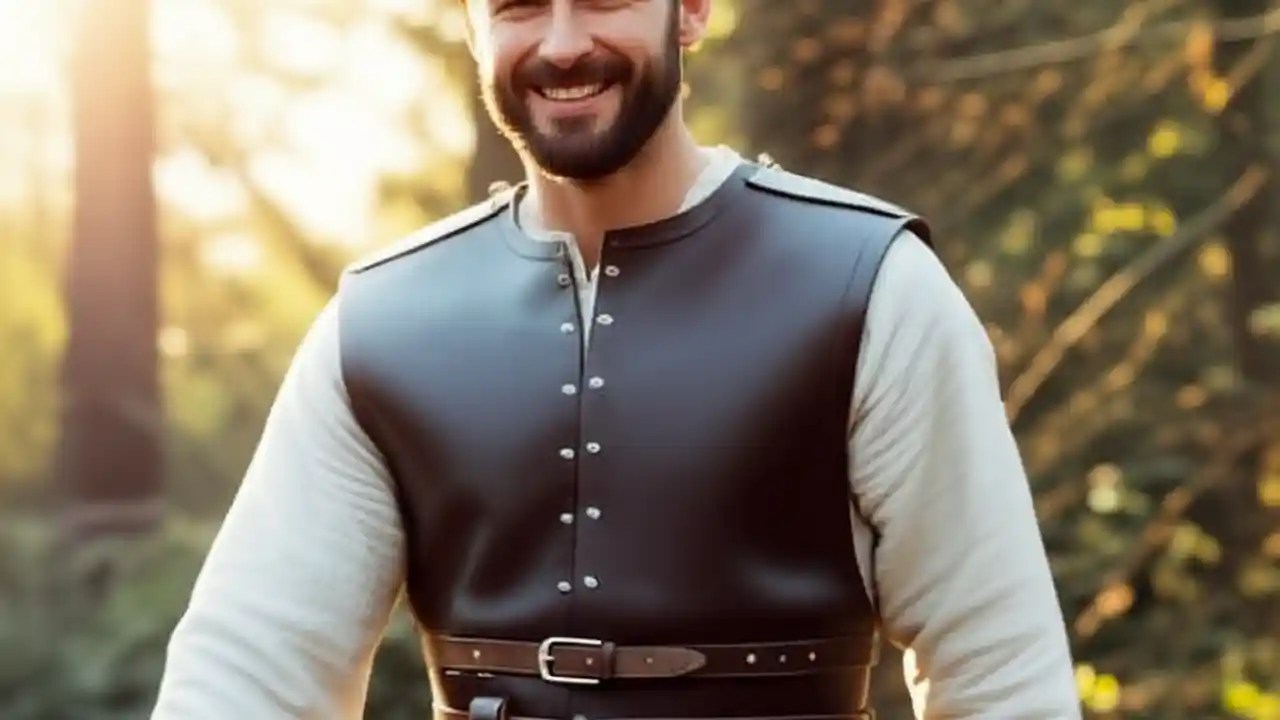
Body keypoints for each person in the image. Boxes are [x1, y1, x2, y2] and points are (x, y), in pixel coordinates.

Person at [152, 0, 1082, 718]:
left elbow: (1000, 675)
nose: (563, 45)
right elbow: (249, 674)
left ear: (692, 10)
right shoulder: (381, 321)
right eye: (518, 6)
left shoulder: (874, 287)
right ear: (473, 28)